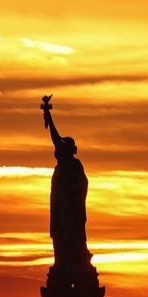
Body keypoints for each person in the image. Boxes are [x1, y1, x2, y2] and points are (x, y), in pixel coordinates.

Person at [41, 96, 90, 267]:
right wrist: (48, 114)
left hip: (71, 209)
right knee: (61, 233)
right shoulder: (62, 166)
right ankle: (62, 260)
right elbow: (55, 137)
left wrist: (71, 187)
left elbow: (82, 186)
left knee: (71, 232)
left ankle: (74, 258)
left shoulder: (75, 166)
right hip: (60, 207)